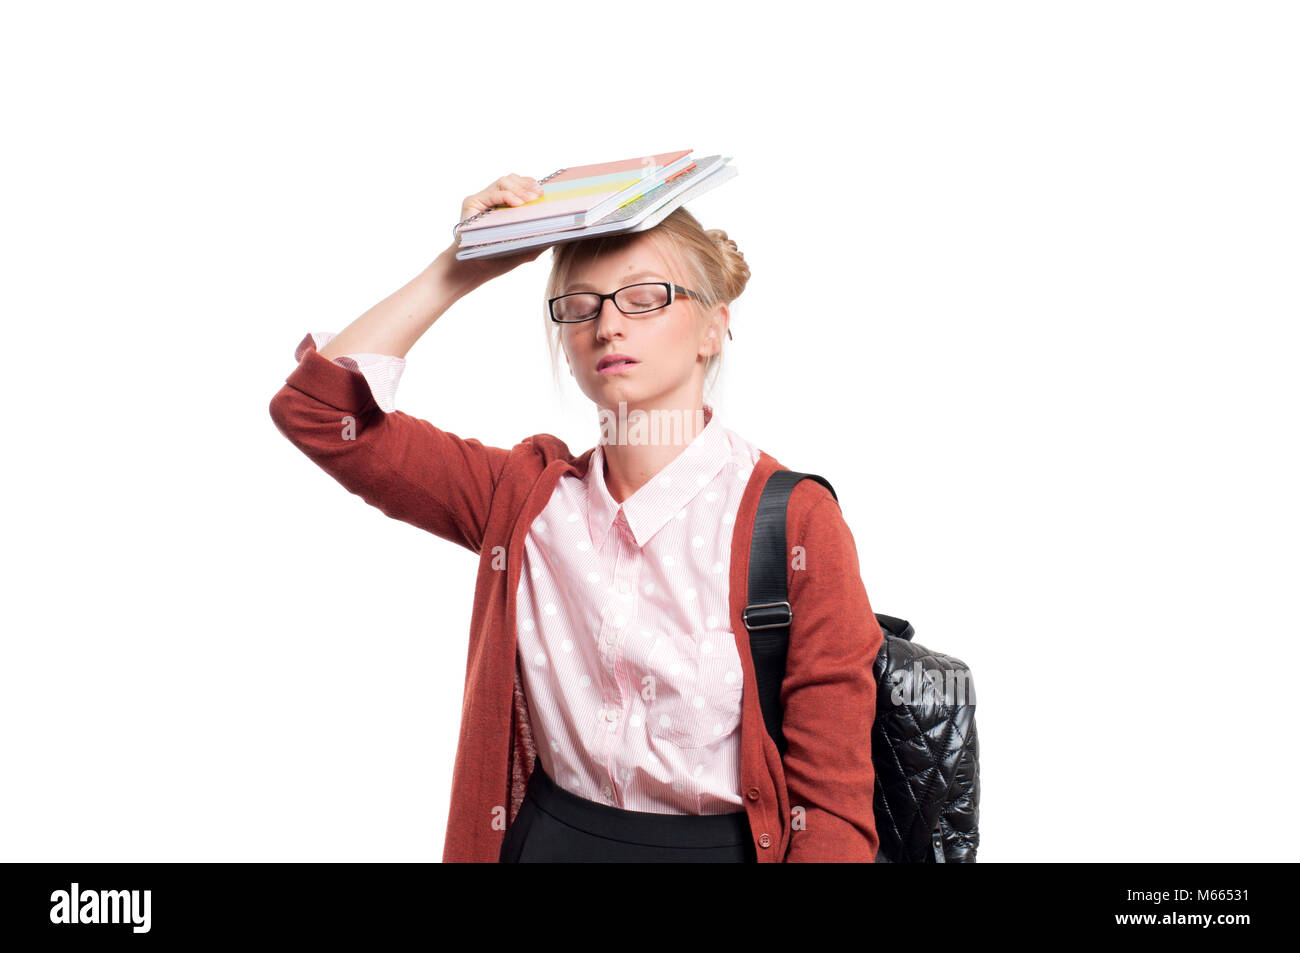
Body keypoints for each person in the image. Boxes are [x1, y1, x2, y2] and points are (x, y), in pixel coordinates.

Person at [269, 174, 884, 862]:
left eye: (646, 297)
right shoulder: (523, 499)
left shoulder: (795, 521)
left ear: (714, 325)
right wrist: (460, 267)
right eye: (580, 304)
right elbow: (319, 414)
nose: (608, 324)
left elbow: (832, 807)